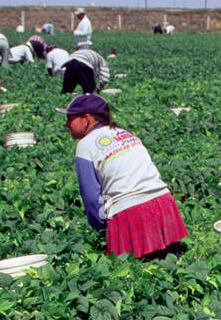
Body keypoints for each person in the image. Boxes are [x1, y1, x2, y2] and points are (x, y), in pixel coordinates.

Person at [58, 93, 189, 259]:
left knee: (133, 275)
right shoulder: (124, 133)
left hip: (131, 213)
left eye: (70, 118)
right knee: (169, 266)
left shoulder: (85, 145)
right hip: (163, 204)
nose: (66, 124)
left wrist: (102, 228)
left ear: (86, 118)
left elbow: (91, 198)